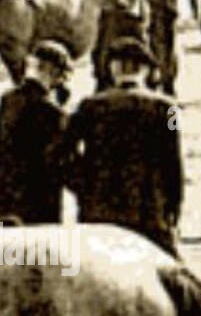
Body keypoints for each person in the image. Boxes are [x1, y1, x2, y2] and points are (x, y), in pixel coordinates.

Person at [56, 36, 182, 256]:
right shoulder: (168, 109)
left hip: (99, 213)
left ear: (113, 69)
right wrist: (173, 208)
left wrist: (84, 187)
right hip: (149, 212)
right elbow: (173, 164)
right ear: (145, 70)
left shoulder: (89, 107)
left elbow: (60, 155)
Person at [0, 41, 71, 227]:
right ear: (55, 74)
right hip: (37, 207)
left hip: (1, 199)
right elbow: (57, 162)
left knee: (3, 253)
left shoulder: (8, 100)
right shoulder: (53, 113)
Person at [144, 0, 180, 96]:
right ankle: (167, 93)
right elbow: (170, 8)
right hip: (162, 25)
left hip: (155, 24)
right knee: (165, 57)